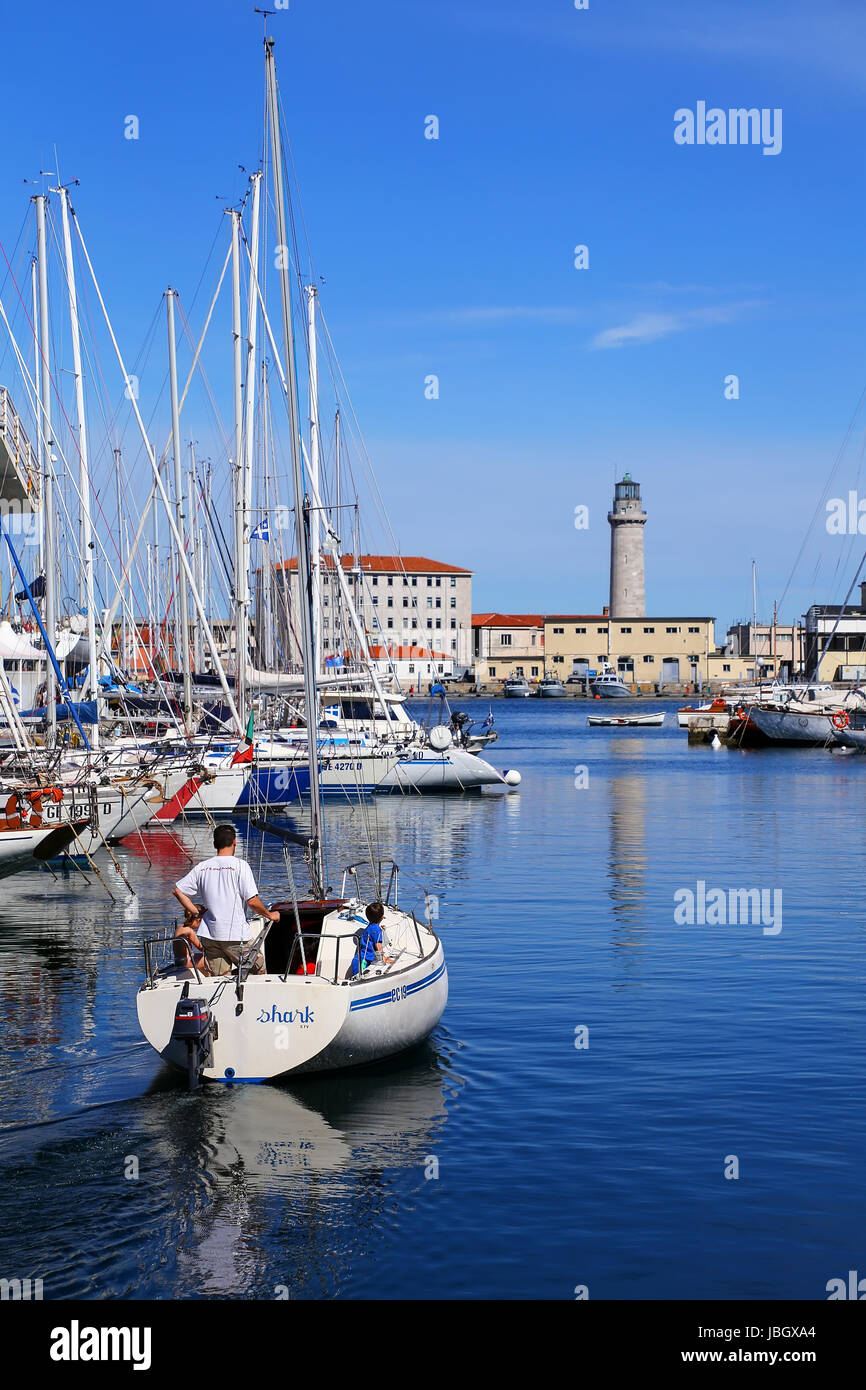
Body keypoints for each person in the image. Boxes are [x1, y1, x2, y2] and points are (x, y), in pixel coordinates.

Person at [172, 824, 279, 977]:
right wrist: (270, 915)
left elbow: (178, 890)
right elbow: (252, 902)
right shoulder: (241, 866)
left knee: (221, 979)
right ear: (234, 842)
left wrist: (195, 912)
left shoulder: (202, 868)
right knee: (259, 969)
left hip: (210, 936)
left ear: (215, 844)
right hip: (236, 936)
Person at [346, 901, 393, 979]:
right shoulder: (376, 928)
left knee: (356, 979)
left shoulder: (371, 926)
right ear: (382, 917)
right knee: (359, 979)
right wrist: (383, 958)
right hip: (363, 962)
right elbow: (378, 945)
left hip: (359, 960)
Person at [173, 903, 210, 975]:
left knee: (204, 957)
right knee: (212, 959)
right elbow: (201, 948)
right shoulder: (189, 931)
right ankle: (213, 979)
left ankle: (207, 976)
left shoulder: (180, 927)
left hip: (178, 959)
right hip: (185, 961)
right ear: (198, 919)